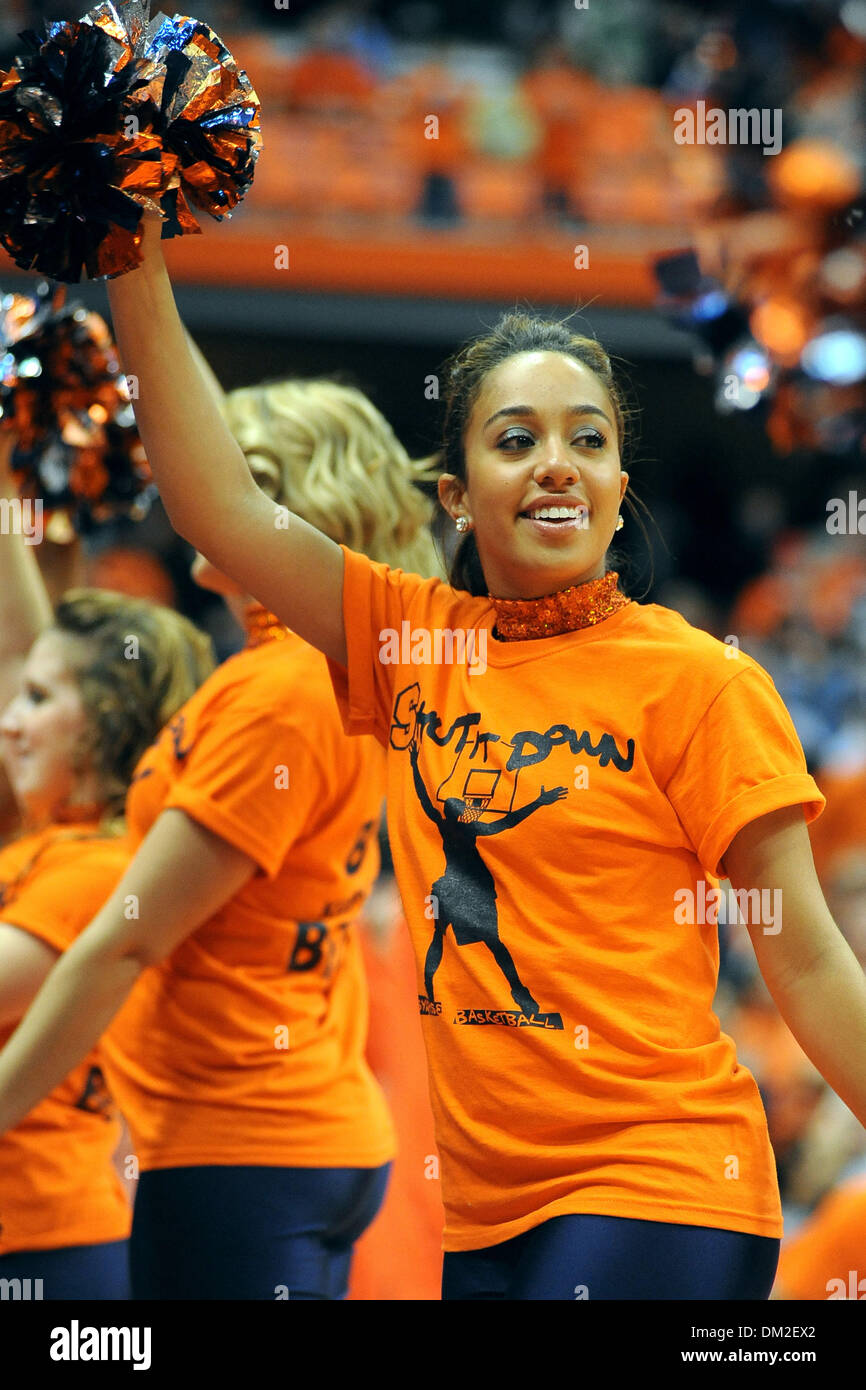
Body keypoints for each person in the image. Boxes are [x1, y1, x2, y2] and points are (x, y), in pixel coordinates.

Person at [4, 214, 866, 1301]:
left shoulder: (700, 681)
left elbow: (807, 959)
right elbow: (216, 506)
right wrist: (129, 247)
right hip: (480, 1216)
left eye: (587, 439)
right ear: (453, 493)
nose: (555, 465)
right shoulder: (410, 646)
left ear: (615, 484)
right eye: (514, 438)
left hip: (658, 1184)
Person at [0, 367, 443, 1300]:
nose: (188, 492)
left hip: (243, 1140)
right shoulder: (305, 665)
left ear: (282, 502)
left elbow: (127, 938)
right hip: (270, 1134)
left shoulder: (283, 691)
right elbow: (56, 681)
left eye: (227, 476)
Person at [0, 425, 214, 1297]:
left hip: (50, 1250)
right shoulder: (45, 833)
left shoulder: (98, 870)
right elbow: (23, 646)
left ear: (103, 730)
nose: (9, 716)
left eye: (39, 701)